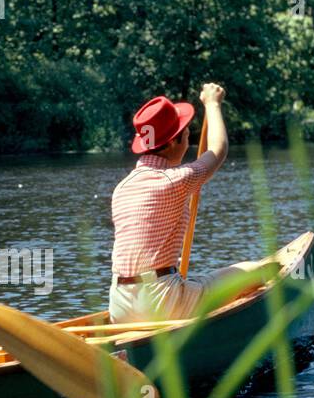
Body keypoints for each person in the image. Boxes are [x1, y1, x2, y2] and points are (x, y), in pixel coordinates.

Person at [109, 82, 256, 324]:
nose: (189, 140)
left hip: (120, 304)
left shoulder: (122, 188)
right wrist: (212, 104)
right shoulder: (175, 180)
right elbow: (218, 149)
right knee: (257, 271)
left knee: (191, 281)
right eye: (187, 135)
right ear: (173, 143)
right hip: (161, 301)